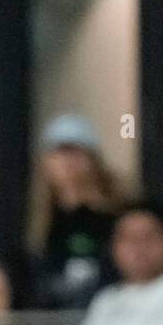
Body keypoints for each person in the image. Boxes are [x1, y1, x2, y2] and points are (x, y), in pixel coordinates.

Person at [22, 114, 123, 308]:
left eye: (75, 153)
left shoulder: (115, 215)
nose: (68, 163)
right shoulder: (41, 221)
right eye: (60, 154)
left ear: (93, 159)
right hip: (53, 316)